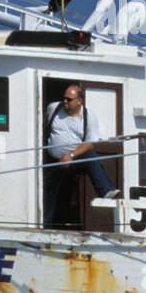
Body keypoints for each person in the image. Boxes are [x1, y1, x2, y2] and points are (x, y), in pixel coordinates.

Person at [42, 83, 118, 226]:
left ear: (79, 101)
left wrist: (70, 156)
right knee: (48, 192)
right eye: (64, 98)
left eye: (69, 99)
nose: (65, 101)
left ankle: (106, 191)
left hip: (75, 159)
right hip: (54, 160)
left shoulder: (89, 117)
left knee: (91, 156)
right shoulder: (53, 108)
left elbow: (91, 143)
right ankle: (45, 226)